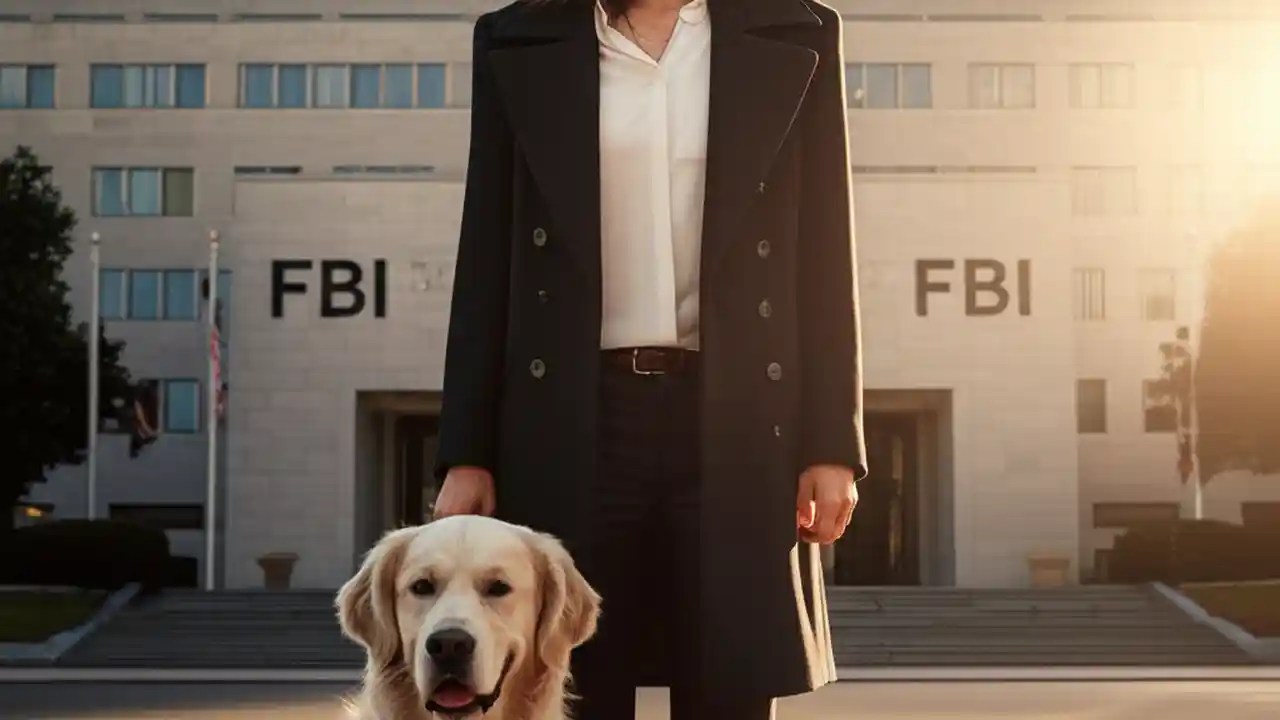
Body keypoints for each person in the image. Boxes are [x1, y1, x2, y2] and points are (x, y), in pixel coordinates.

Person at [432, 0, 867, 716]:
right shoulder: (518, 37)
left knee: (729, 685)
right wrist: (468, 450)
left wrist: (831, 442)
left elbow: (825, 249)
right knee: (573, 682)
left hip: (738, 416)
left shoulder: (797, 29)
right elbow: (486, 250)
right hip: (570, 417)